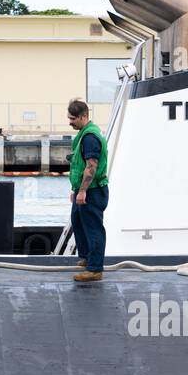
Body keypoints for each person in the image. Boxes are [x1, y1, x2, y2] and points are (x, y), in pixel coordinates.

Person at [67, 99, 109, 283]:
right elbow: (79, 164)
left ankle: (95, 268)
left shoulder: (90, 138)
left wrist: (83, 191)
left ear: (84, 116)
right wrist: (76, 189)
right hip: (83, 190)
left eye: (73, 118)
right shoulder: (84, 134)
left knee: (93, 228)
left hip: (92, 191)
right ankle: (85, 257)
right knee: (78, 222)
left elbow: (91, 166)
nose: (70, 122)